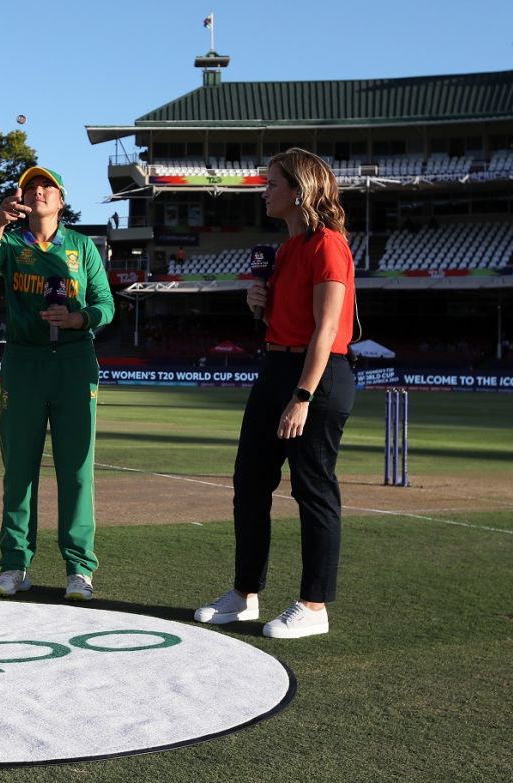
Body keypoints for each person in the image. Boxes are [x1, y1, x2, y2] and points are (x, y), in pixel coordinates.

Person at [194, 147, 356, 639]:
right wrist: (257, 304)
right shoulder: (285, 250)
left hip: (318, 376)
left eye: (272, 184)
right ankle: (244, 595)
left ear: (299, 191)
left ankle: (313, 605)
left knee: (313, 489)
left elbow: (327, 330)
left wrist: (302, 397)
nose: (265, 192)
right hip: (276, 364)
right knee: (249, 482)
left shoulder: (329, 245)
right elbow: (284, 320)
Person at [0, 166, 115, 602]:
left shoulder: (82, 246)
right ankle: (15, 565)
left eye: (45, 186)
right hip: (24, 361)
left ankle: (79, 569)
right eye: (30, 186)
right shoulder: (12, 242)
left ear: (60, 198)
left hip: (74, 362)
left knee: (76, 470)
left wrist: (78, 319)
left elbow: (105, 304)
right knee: (19, 470)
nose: (37, 192)